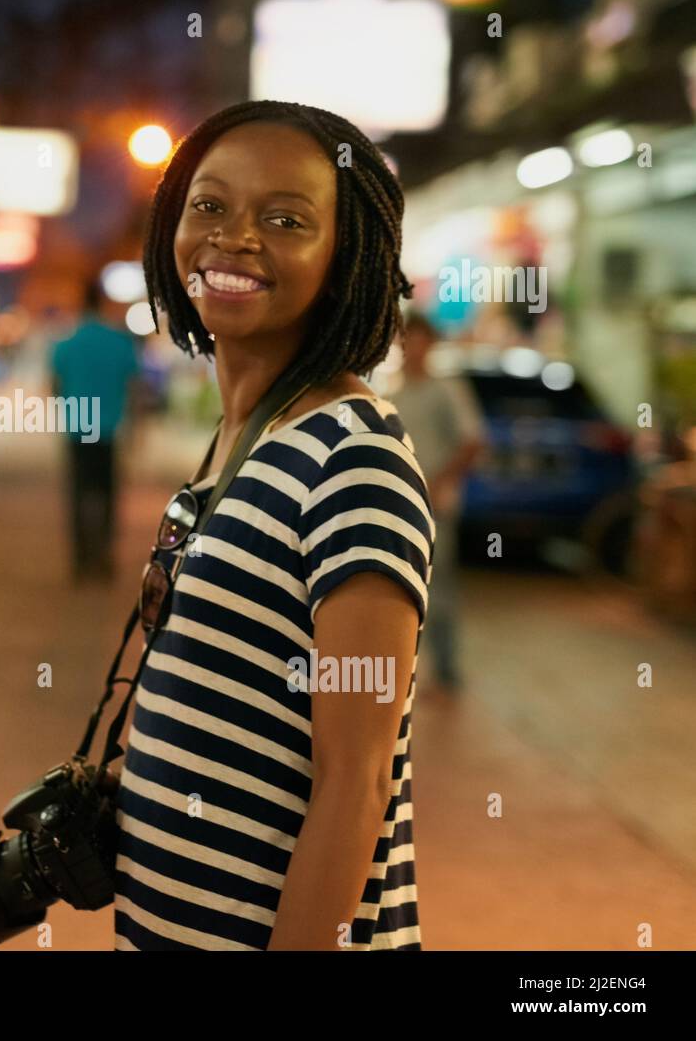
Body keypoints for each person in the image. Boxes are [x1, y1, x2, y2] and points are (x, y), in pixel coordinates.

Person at [114, 100, 435, 950]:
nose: (234, 237)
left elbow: (357, 781)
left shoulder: (353, 458)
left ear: (345, 257)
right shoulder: (239, 439)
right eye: (209, 205)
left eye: (285, 219)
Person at [390, 311, 486, 694]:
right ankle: (406, 666)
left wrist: (440, 481)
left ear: (429, 343)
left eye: (418, 338)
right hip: (401, 507)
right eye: (405, 339)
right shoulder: (392, 397)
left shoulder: (446, 391)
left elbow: (473, 441)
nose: (411, 346)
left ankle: (445, 670)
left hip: (437, 506)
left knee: (438, 586)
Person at [49, 277, 141, 581]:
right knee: (108, 496)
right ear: (103, 302)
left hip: (78, 429)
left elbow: (55, 386)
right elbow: (133, 385)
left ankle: (81, 561)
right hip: (109, 431)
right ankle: (104, 559)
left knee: (79, 495)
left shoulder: (67, 343)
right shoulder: (119, 341)